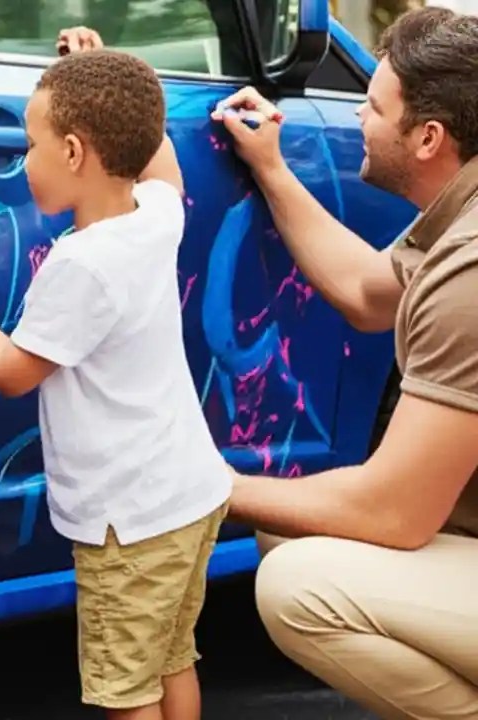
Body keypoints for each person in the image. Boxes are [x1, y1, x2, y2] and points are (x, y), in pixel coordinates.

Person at [0, 28, 227, 720]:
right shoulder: (153, 217)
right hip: (190, 497)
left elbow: (11, 371)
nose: (26, 158)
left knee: (126, 693)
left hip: (130, 524)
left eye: (31, 145)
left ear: (72, 152)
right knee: (172, 657)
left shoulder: (79, 265)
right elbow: (163, 167)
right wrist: (97, 74)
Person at [211, 7, 478, 719]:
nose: (357, 112)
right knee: (293, 522)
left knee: (298, 584)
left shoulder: (473, 269)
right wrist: (270, 167)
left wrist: (202, 485)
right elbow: (366, 293)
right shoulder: (462, 211)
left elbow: (393, 513)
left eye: (375, 105)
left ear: (429, 138)